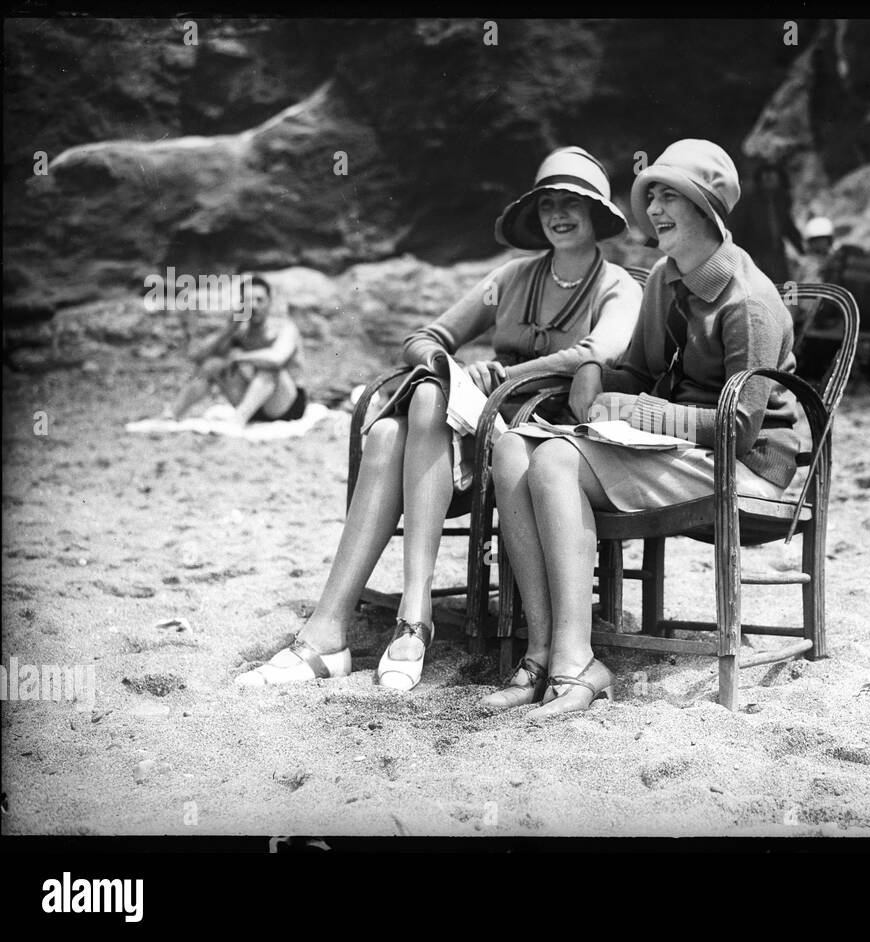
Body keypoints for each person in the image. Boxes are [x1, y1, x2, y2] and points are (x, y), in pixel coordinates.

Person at [236, 146, 642, 689]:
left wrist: (504, 374)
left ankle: (370, 625)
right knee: (392, 426)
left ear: (598, 214)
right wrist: (449, 367)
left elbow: (594, 354)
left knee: (403, 419)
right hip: (479, 423)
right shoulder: (513, 277)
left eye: (574, 202)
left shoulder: (620, 286)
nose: (559, 214)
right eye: (547, 204)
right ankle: (369, 623)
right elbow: (424, 338)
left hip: (539, 438)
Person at [484, 139, 809, 718]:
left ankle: (576, 660)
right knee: (512, 448)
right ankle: (540, 654)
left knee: (556, 460)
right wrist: (596, 376)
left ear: (706, 209)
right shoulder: (665, 276)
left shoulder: (748, 302)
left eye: (671, 196)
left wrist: (640, 413)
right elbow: (638, 369)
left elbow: (741, 423)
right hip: (679, 452)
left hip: (749, 471)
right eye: (651, 194)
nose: (655, 208)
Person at [165, 276, 307, 425]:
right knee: (212, 364)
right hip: (253, 405)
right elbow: (197, 356)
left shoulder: (285, 328)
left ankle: (237, 421)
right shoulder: (240, 331)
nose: (254, 305)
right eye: (248, 300)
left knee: (269, 368)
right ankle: (172, 415)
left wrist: (240, 357)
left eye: (259, 300)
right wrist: (228, 329)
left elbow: (277, 359)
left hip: (286, 405)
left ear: (269, 301)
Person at [727, 161, 803, 284]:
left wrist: (802, 251)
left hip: (778, 254)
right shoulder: (748, 202)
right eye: (766, 174)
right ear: (760, 178)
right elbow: (738, 229)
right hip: (756, 256)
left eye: (773, 173)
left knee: (785, 288)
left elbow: (789, 229)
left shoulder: (781, 201)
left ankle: (788, 304)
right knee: (761, 288)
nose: (769, 177)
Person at [794, 216, 836, 284]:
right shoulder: (803, 263)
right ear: (810, 242)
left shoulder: (836, 259)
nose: (820, 244)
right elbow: (795, 284)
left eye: (822, 240)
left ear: (829, 240)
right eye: (816, 240)